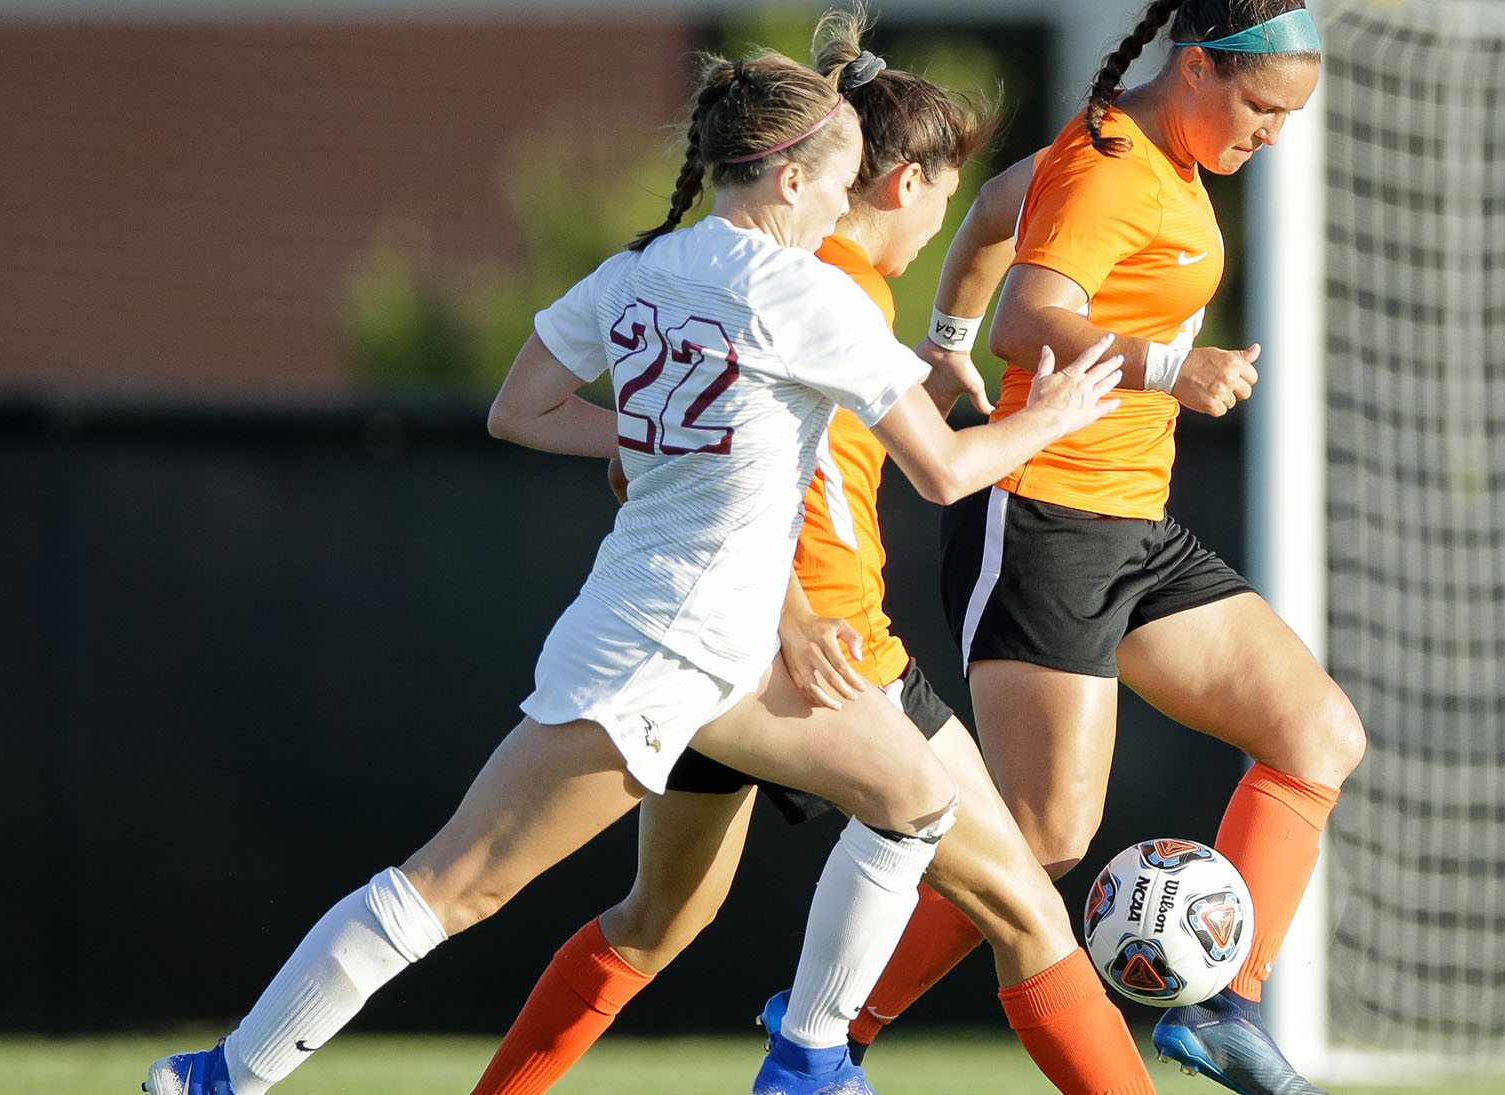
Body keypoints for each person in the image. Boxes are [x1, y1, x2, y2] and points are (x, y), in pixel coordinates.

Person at [143, 45, 1125, 1095]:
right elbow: (942, 472)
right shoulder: (801, 294)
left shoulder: (639, 268)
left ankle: (808, 1059)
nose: (846, 209)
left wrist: (639, 437)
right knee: (454, 884)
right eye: (840, 186)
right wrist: (1049, 417)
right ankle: (223, 1079)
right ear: (791, 179)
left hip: (709, 638)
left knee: (914, 799)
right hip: (668, 648)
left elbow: (516, 410)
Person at [465, 14, 1157, 1095]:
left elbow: (657, 467)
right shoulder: (829, 296)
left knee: (656, 921)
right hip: (829, 655)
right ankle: (810, 1052)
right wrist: (794, 616)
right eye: (940, 192)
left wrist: (936, 357)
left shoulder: (789, 273)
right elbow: (782, 478)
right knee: (1024, 904)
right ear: (898, 183)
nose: (941, 221)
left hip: (716, 655)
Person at [853, 5, 1369, 1095]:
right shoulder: (1111, 168)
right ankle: (830, 1029)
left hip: (1135, 522)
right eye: (1262, 107)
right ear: (1194, 69)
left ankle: (1220, 1011)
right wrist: (1165, 368)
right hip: (1040, 517)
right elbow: (1029, 319)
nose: (1272, 133)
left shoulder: (1132, 152)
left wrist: (940, 342)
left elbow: (997, 209)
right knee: (1038, 840)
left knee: (1314, 731)